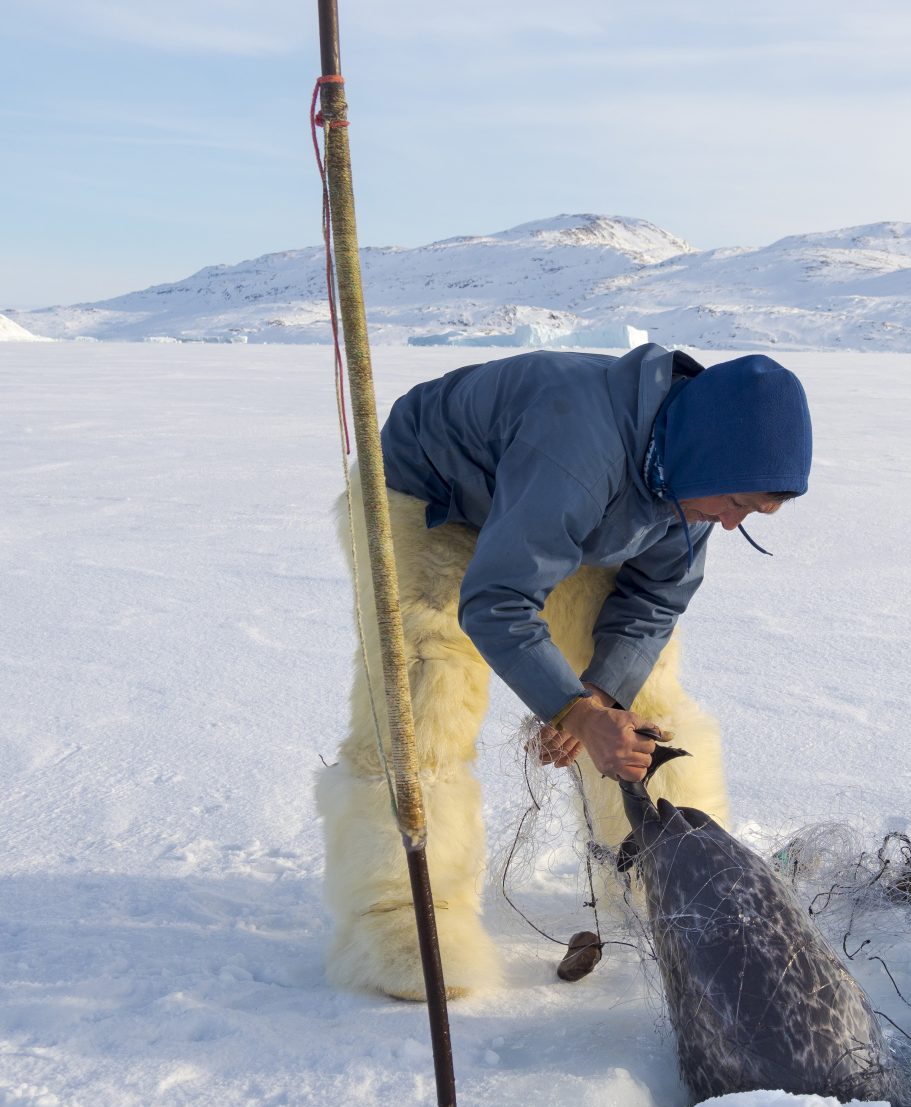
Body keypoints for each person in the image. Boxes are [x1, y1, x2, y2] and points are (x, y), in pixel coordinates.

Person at [316, 343, 812, 1001]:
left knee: (647, 696)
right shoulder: (580, 450)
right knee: (429, 687)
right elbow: (496, 600)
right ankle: (398, 917)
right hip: (430, 500)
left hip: (568, 518)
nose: (730, 522)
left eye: (749, 516)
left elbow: (654, 601)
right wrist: (572, 712)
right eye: (735, 503)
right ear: (706, 455)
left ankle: (677, 878)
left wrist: (600, 699)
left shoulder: (691, 479)